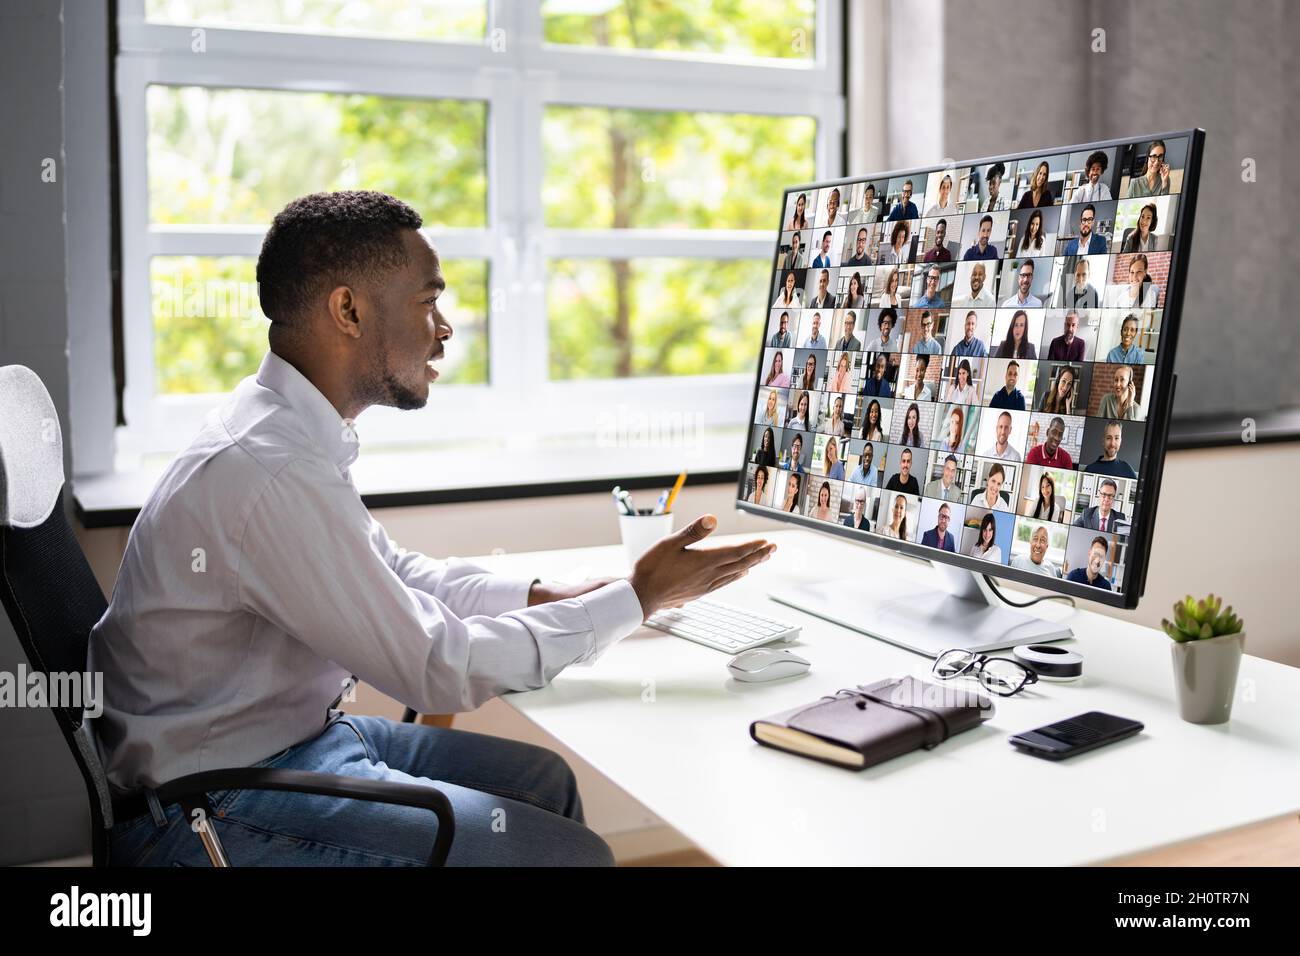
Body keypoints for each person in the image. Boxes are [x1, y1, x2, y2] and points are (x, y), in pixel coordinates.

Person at [93, 190, 777, 868]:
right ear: (348, 310)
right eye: (427, 302)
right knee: (568, 855)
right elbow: (436, 668)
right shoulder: (269, 471)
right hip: (209, 807)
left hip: (289, 744)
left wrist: (550, 594)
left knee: (544, 788)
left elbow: (396, 573)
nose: (445, 326)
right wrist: (636, 600)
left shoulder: (286, 429)